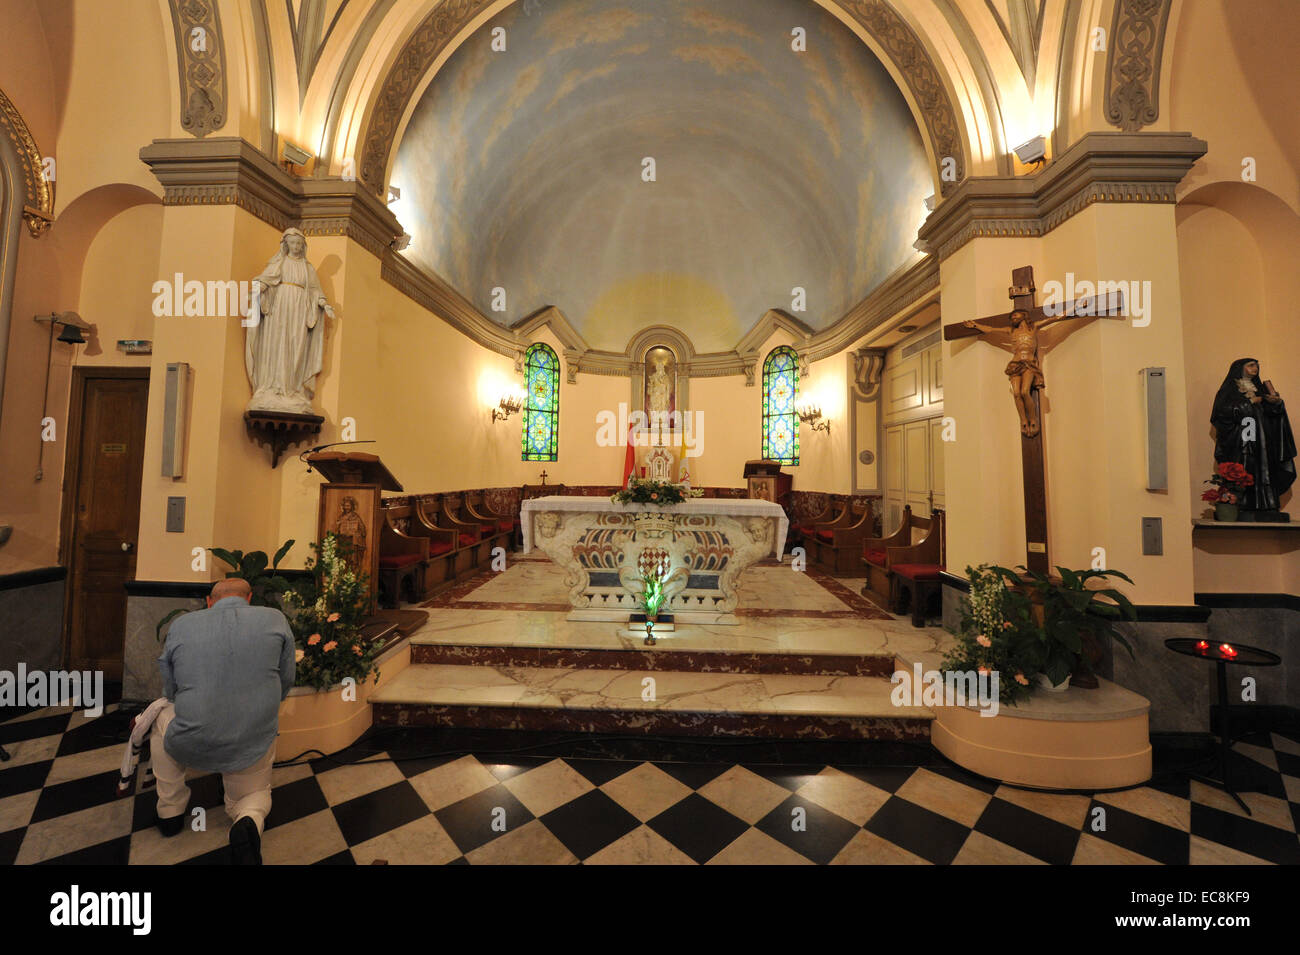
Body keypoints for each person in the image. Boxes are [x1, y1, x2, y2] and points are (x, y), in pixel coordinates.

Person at [153, 578, 296, 864]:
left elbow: (170, 689)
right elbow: (286, 679)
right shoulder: (275, 619)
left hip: (192, 736)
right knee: (254, 793)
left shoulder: (182, 625)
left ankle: (170, 810)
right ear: (249, 598)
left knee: (159, 721)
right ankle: (248, 820)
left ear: (209, 601)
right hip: (253, 736)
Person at [1211, 357, 1296, 517]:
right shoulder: (1228, 390)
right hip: (1240, 438)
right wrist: (1248, 403)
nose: (1255, 368)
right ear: (1240, 368)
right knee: (1244, 466)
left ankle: (1268, 504)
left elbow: (1272, 414)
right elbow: (1221, 412)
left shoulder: (1260, 389)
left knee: (1265, 467)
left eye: (1256, 365)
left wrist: (1275, 404)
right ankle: (1241, 503)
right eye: (1250, 365)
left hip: (1263, 438)